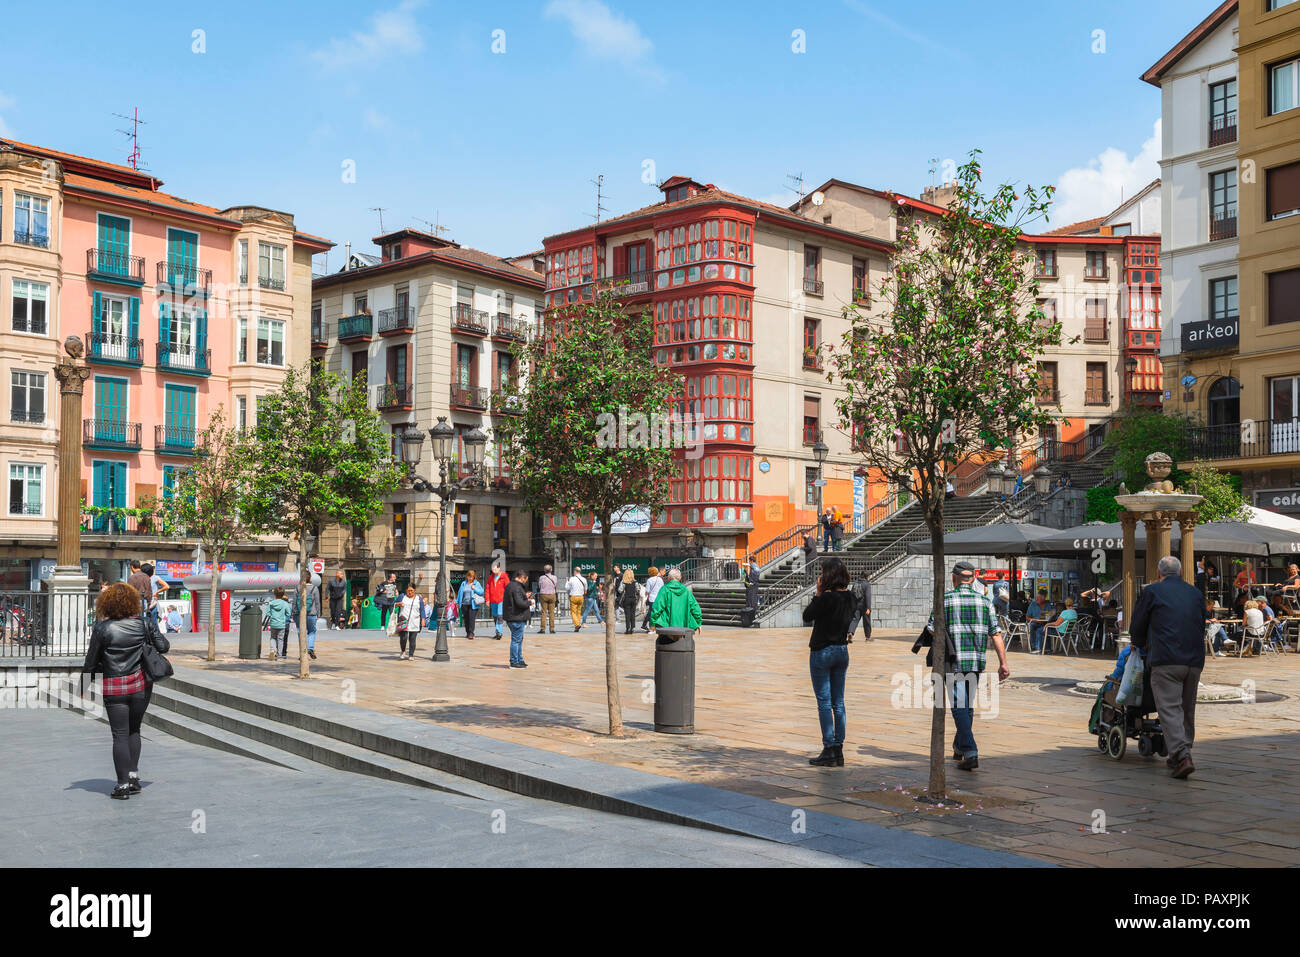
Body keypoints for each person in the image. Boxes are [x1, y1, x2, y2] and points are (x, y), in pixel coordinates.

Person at [81, 582, 169, 800]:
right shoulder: (144, 624)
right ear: (132, 602)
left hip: (114, 686)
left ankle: (121, 786)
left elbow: (91, 661)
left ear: (106, 603)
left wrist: (84, 686)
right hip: (140, 684)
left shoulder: (102, 628)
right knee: (134, 730)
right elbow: (164, 647)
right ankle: (133, 777)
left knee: (119, 734)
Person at [1130, 556, 1208, 779]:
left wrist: (1139, 642)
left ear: (1158, 572)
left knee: (1169, 708)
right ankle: (1179, 754)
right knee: (1187, 708)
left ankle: (1182, 755)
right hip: (1193, 659)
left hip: (1166, 658)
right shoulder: (1195, 593)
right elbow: (1201, 623)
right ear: (1181, 573)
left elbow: (1137, 625)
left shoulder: (1152, 592)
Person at [934, 561, 1009, 771]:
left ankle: (971, 751)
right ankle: (959, 748)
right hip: (976, 663)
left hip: (953, 662)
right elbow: (996, 633)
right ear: (973, 579)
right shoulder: (985, 602)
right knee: (966, 706)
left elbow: (932, 629)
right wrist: (1003, 663)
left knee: (959, 706)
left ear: (954, 578)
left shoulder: (945, 600)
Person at [801, 558, 855, 768]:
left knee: (824, 702)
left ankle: (828, 748)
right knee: (838, 702)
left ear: (828, 576)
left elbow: (807, 616)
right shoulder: (851, 597)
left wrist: (818, 593)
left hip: (822, 651)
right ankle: (838, 750)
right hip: (842, 651)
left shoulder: (826, 598)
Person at [648, 567, 702, 632]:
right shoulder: (686, 591)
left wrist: (653, 623)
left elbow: (657, 607)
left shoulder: (665, 589)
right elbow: (695, 608)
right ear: (680, 578)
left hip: (666, 626)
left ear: (669, 577)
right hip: (684, 626)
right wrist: (698, 623)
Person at [503, 569, 532, 668]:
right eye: (525, 580)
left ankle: (519, 660)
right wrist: (529, 602)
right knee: (516, 640)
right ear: (522, 577)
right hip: (516, 617)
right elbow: (519, 603)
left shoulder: (511, 585)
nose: (526, 582)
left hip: (514, 616)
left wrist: (525, 596)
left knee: (518, 639)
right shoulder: (516, 587)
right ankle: (514, 661)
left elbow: (516, 598)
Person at [292, 573, 320, 660]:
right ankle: (310, 648)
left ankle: (302, 654)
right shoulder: (315, 588)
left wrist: (293, 612)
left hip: (299, 614)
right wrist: (318, 614)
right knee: (312, 631)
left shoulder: (298, 588)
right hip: (311, 614)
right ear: (310, 578)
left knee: (301, 633)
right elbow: (317, 602)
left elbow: (294, 601)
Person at [395, 585, 425, 660]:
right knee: (403, 638)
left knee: (412, 639)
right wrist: (398, 604)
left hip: (415, 621)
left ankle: (411, 655)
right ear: (406, 590)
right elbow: (393, 605)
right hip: (403, 621)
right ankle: (403, 651)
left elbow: (422, 610)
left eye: (411, 590)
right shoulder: (402, 596)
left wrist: (423, 619)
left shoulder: (419, 599)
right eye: (408, 590)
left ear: (414, 590)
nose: (410, 592)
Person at [264, 587, 293, 660]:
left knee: (273, 638)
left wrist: (273, 616)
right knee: (280, 639)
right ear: (283, 594)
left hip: (273, 623)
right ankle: (279, 654)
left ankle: (272, 650)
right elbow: (288, 613)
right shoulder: (285, 603)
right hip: (282, 624)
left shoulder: (271, 603)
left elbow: (267, 613)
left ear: (274, 594)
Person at [457, 570, 484, 640]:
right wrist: (458, 602)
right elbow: (460, 593)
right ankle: (468, 632)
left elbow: (481, 592)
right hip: (464, 604)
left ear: (473, 577)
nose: (470, 578)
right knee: (466, 619)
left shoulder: (476, 583)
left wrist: (475, 589)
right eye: (469, 576)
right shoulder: (463, 583)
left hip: (473, 604)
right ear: (467, 576)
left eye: (471, 577)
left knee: (471, 618)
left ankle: (471, 633)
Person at [847, 568, 872, 642]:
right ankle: (867, 637)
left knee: (854, 619)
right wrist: (868, 608)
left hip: (856, 605)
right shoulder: (867, 584)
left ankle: (850, 632)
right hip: (864, 606)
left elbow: (851, 594)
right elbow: (868, 596)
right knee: (866, 621)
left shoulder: (855, 583)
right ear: (867, 576)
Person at [486, 565, 509, 639]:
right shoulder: (491, 577)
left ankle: (499, 631)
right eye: (492, 569)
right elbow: (487, 589)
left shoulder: (504, 576)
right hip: (493, 600)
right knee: (495, 616)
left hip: (501, 600)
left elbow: (508, 588)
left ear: (499, 568)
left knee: (500, 616)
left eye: (495, 569)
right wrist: (487, 599)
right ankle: (498, 632)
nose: (493, 570)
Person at [616, 568, 640, 635]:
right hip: (633, 599)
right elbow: (638, 590)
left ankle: (627, 628)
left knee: (627, 615)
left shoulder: (623, 582)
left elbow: (620, 590)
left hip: (626, 599)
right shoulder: (635, 582)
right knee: (633, 614)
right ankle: (633, 628)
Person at [1026, 588, 1050, 652]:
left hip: (1045, 623)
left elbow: (1050, 616)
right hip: (1034, 622)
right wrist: (1035, 620)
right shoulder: (1033, 605)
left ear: (1043, 599)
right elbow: (1027, 617)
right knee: (1033, 626)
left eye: (1038, 598)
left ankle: (1046, 647)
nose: (1036, 599)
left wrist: (1048, 615)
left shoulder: (1048, 605)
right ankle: (1034, 646)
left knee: (1043, 628)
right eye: (1036, 598)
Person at [536, 564, 558, 634]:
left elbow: (539, 586)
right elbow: (555, 585)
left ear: (544, 570)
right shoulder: (554, 577)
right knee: (551, 612)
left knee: (544, 612)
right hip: (552, 595)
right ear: (551, 570)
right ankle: (552, 629)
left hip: (544, 595)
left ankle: (542, 629)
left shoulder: (541, 577)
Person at [642, 566, 664, 631]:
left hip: (652, 599)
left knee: (651, 613)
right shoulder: (660, 579)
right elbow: (662, 589)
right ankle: (658, 626)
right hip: (659, 599)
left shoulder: (649, 580)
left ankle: (651, 626)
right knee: (658, 612)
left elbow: (647, 591)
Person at [147, 565, 168, 629]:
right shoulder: (155, 577)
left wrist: (156, 592)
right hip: (153, 602)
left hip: (148, 602)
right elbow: (166, 586)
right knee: (154, 622)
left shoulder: (155, 577)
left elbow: (167, 586)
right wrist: (157, 592)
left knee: (149, 622)